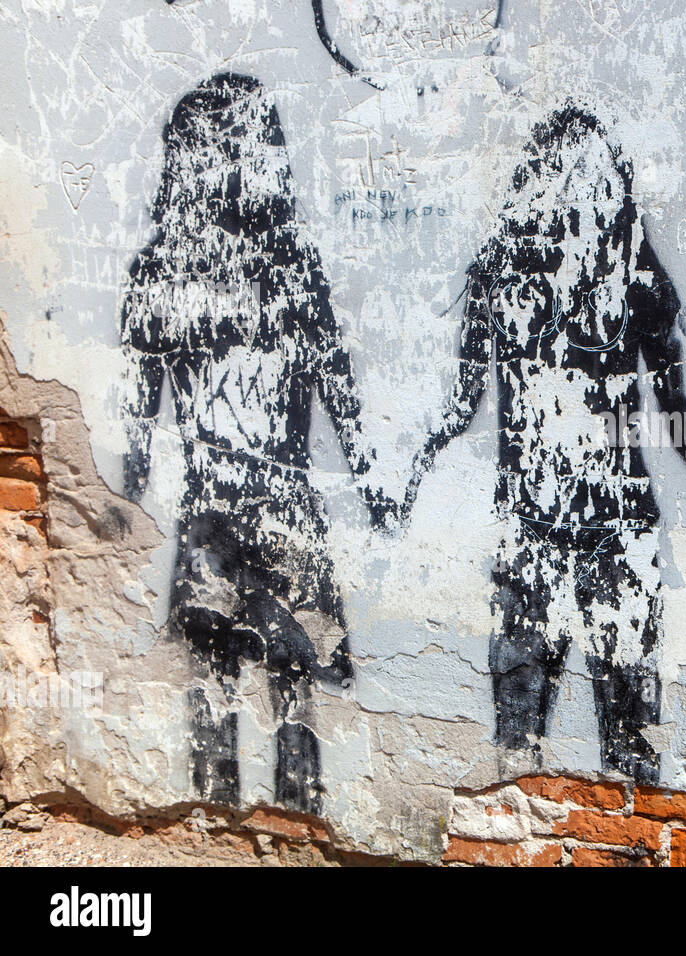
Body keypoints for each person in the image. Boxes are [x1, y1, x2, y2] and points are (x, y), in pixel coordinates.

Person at [402, 104, 686, 783]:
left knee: (587, 733)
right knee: (548, 734)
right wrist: (411, 475)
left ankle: (599, 843)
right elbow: (676, 421)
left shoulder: (632, 283)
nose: (565, 198)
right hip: (563, 530)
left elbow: (675, 418)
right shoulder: (514, 280)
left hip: (595, 530)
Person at [120, 72, 394, 813]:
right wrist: (374, 488)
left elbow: (139, 412)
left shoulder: (174, 270)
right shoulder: (274, 269)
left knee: (250, 684)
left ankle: (242, 823)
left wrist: (128, 486)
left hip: (234, 513)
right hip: (264, 514)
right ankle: (279, 825)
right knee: (272, 686)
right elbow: (338, 393)